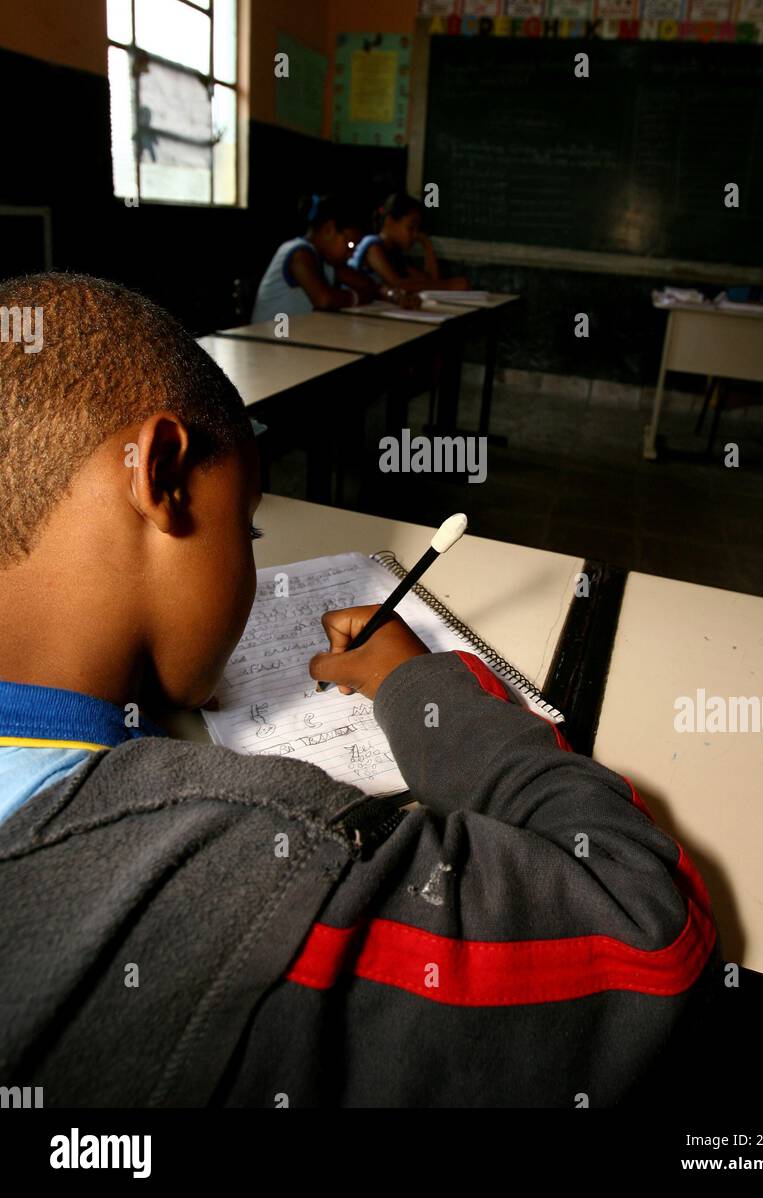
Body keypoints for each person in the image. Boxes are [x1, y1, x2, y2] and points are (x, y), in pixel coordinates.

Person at [0, 273, 721, 1107]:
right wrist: (419, 687)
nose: (252, 552)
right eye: (250, 524)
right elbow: (654, 936)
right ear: (163, 475)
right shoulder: (229, 877)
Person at [251, 193, 374, 322]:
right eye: (350, 244)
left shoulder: (325, 259)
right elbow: (324, 300)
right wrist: (357, 297)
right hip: (272, 336)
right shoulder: (299, 253)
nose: (351, 254)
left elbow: (367, 285)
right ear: (329, 229)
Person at [348, 192, 471, 295]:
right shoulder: (372, 246)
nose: (416, 234)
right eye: (411, 227)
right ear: (390, 222)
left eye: (418, 229)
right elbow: (397, 284)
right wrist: (447, 285)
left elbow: (430, 280)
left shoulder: (395, 253)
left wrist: (427, 245)